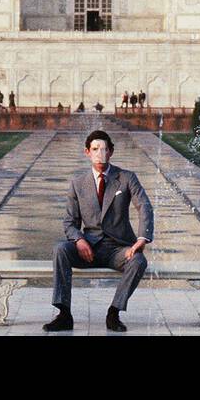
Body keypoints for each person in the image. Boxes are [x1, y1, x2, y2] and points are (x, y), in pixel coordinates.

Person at [44, 130, 154, 333]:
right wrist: (78, 240)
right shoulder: (77, 184)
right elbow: (70, 222)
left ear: (111, 152)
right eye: (95, 149)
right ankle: (64, 313)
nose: (100, 154)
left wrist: (141, 239)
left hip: (118, 250)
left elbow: (144, 206)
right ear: (87, 152)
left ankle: (114, 312)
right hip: (88, 249)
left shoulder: (126, 178)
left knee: (139, 261)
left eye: (104, 149)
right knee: (60, 249)